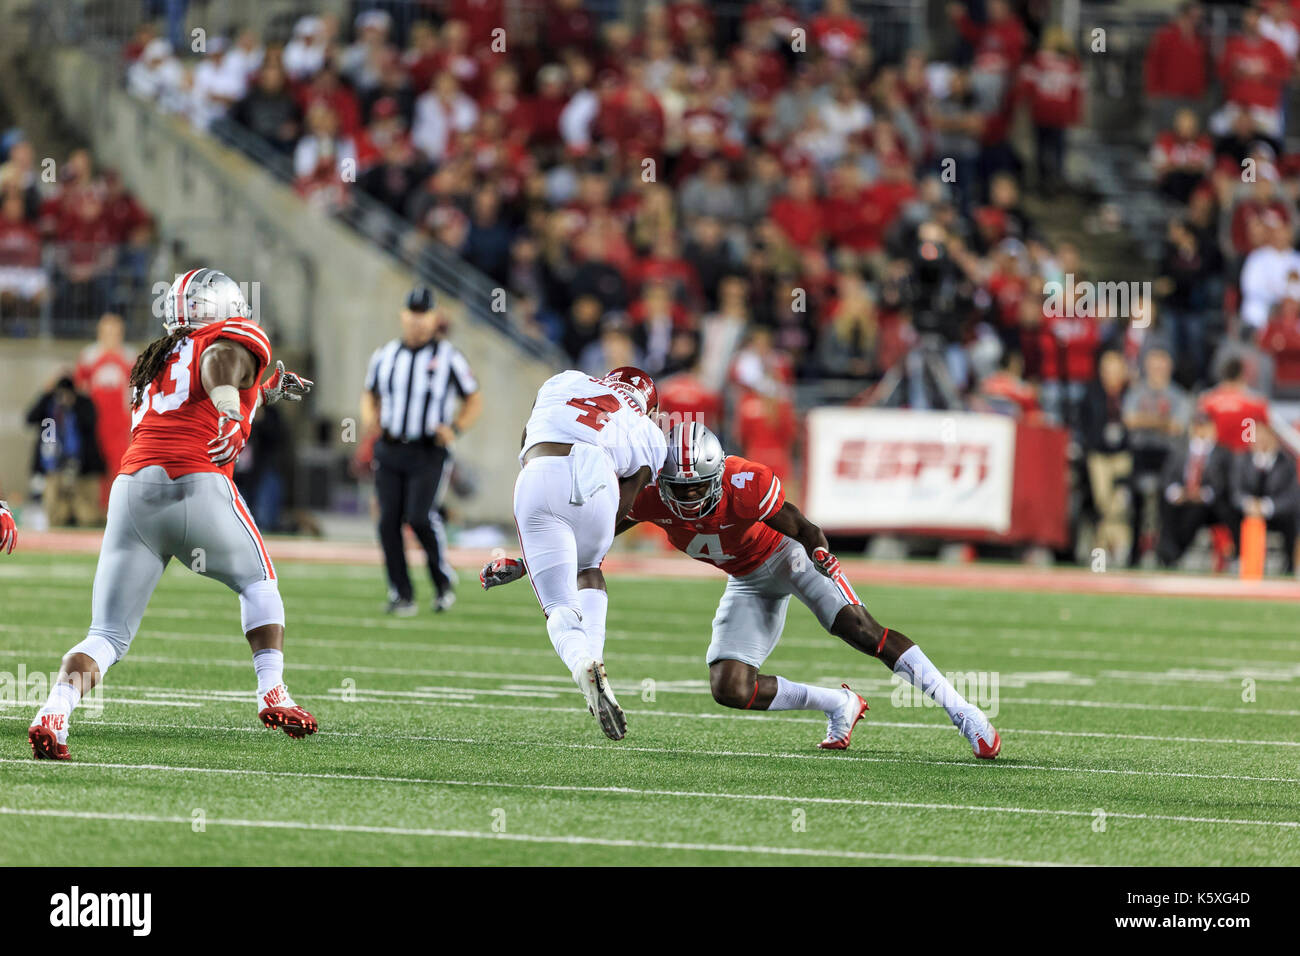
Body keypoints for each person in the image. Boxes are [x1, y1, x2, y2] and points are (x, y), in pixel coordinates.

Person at [484, 422, 1001, 757]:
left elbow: (803, 527)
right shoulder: (645, 497)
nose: (686, 500)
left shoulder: (743, 481)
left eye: (695, 488)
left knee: (859, 629)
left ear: (715, 473)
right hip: (748, 580)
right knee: (729, 687)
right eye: (677, 490)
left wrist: (822, 557)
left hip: (789, 557)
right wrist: (526, 564)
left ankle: (964, 713)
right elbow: (586, 547)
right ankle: (838, 704)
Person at [27, 268, 316, 760]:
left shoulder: (151, 362)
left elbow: (188, 400)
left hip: (134, 494)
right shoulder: (229, 337)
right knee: (259, 582)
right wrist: (230, 403)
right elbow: (219, 364)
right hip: (195, 484)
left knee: (106, 635)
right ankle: (273, 690)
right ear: (223, 307)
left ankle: (54, 712)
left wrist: (261, 396)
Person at [493, 366, 666, 740]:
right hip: (600, 481)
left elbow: (527, 436)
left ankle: (581, 662)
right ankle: (595, 659)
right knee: (589, 566)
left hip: (543, 465)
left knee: (558, 605)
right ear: (649, 408)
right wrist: (596, 529)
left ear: (605, 380)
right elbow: (629, 502)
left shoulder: (565, 379)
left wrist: (534, 552)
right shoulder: (650, 431)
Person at [361, 286, 482, 615]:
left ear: (433, 318)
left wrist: (454, 429)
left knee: (419, 516)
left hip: (428, 450)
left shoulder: (448, 357)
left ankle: (442, 581)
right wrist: (372, 419)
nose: (417, 321)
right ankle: (402, 593)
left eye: (423, 314)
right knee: (388, 522)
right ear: (403, 316)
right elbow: (369, 393)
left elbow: (473, 396)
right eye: (412, 314)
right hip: (390, 448)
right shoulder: (385, 355)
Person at [1156, 411, 1233, 567]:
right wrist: (1177, 492)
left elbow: (1224, 484)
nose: (1201, 431)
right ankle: (1168, 552)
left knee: (1195, 512)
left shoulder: (1222, 452)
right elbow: (1167, 478)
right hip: (1182, 497)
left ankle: (1173, 553)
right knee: (1167, 506)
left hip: (1207, 503)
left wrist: (1203, 494)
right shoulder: (1180, 449)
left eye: (1205, 427)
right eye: (1198, 427)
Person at [26, 376, 103, 527]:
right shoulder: (49, 404)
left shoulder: (83, 404)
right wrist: (44, 394)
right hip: (54, 467)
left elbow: (90, 422)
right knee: (55, 513)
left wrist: (75, 403)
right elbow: (29, 419)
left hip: (82, 468)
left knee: (86, 515)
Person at [75, 312, 135, 508]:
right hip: (95, 420)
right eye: (107, 331)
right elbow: (80, 388)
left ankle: (118, 507)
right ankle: (96, 508)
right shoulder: (89, 356)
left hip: (119, 422)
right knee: (96, 465)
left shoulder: (129, 357)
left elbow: (135, 390)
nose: (111, 336)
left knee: (120, 464)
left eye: (115, 331)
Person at [1230, 422, 1299, 573]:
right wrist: (1249, 504)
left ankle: (1289, 565)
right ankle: (1238, 557)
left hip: (1275, 513)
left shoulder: (1286, 462)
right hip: (1247, 512)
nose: (1261, 439)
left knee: (1293, 518)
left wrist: (1267, 507)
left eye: (1264, 435)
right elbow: (1236, 491)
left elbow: (1292, 496)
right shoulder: (1243, 459)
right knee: (1229, 513)